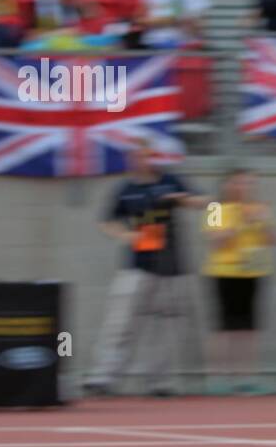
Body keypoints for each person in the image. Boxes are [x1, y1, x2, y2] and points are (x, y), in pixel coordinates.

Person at [84, 145, 211, 398]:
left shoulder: (171, 180)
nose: (140, 161)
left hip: (172, 264)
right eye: (135, 157)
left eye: (145, 155)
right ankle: (103, 376)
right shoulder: (126, 189)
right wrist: (126, 235)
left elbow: (209, 203)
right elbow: (106, 221)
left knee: (162, 324)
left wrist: (181, 199)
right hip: (137, 263)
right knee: (120, 322)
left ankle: (158, 381)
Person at [201, 169, 276, 395]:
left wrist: (264, 224)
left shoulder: (261, 208)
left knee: (250, 328)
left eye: (249, 183)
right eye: (239, 183)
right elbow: (214, 241)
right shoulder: (215, 208)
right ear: (228, 184)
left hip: (254, 271)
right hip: (224, 272)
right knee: (223, 328)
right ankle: (216, 378)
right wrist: (238, 223)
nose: (244, 188)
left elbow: (275, 239)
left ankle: (247, 377)